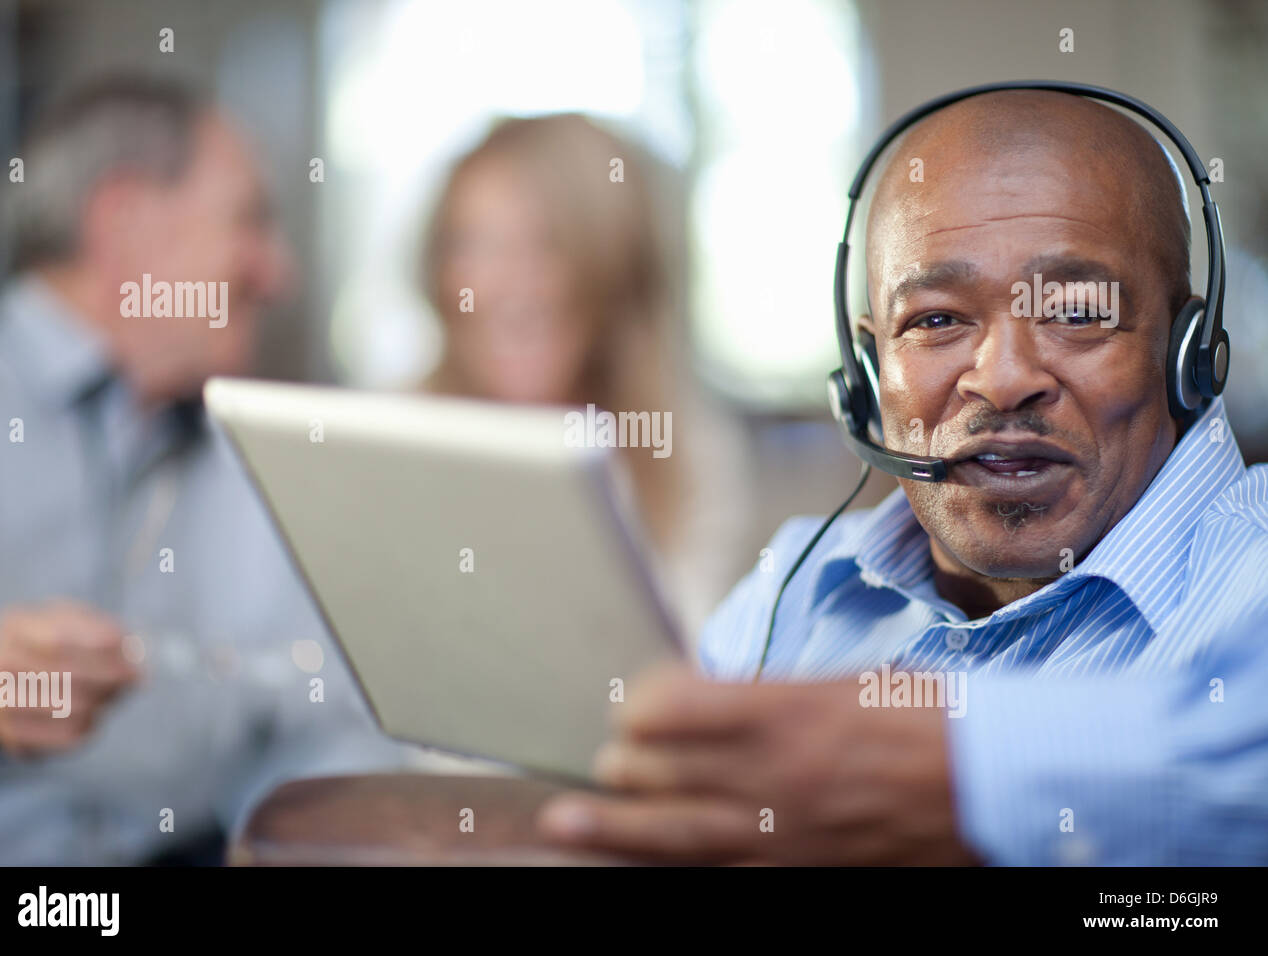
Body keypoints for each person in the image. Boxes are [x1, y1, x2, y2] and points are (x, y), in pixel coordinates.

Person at [534, 88, 1268, 865]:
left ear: (1189, 351)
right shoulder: (799, 584)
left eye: (1077, 310)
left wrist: (967, 777)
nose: (1005, 378)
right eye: (937, 320)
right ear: (865, 374)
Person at [0, 75, 441, 865]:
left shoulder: (250, 451)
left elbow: (322, 713)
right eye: (249, 220)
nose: (278, 273)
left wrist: (309, 824)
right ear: (127, 221)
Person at [416, 113, 753, 639]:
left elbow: (667, 678)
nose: (508, 286)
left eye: (545, 244)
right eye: (475, 244)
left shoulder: (688, 459)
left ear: (614, 269)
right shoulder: (391, 434)